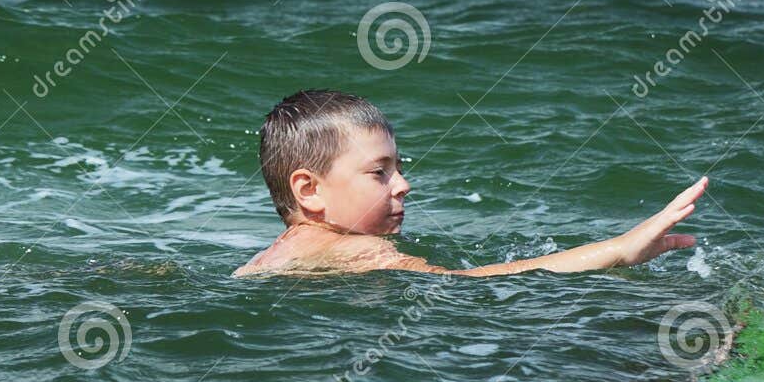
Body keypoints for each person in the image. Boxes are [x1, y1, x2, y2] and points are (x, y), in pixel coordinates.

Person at [233, 89, 706, 277]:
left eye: (399, 168)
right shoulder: (359, 251)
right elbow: (466, 285)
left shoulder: (270, 259)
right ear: (309, 190)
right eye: (380, 173)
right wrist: (619, 249)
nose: (403, 185)